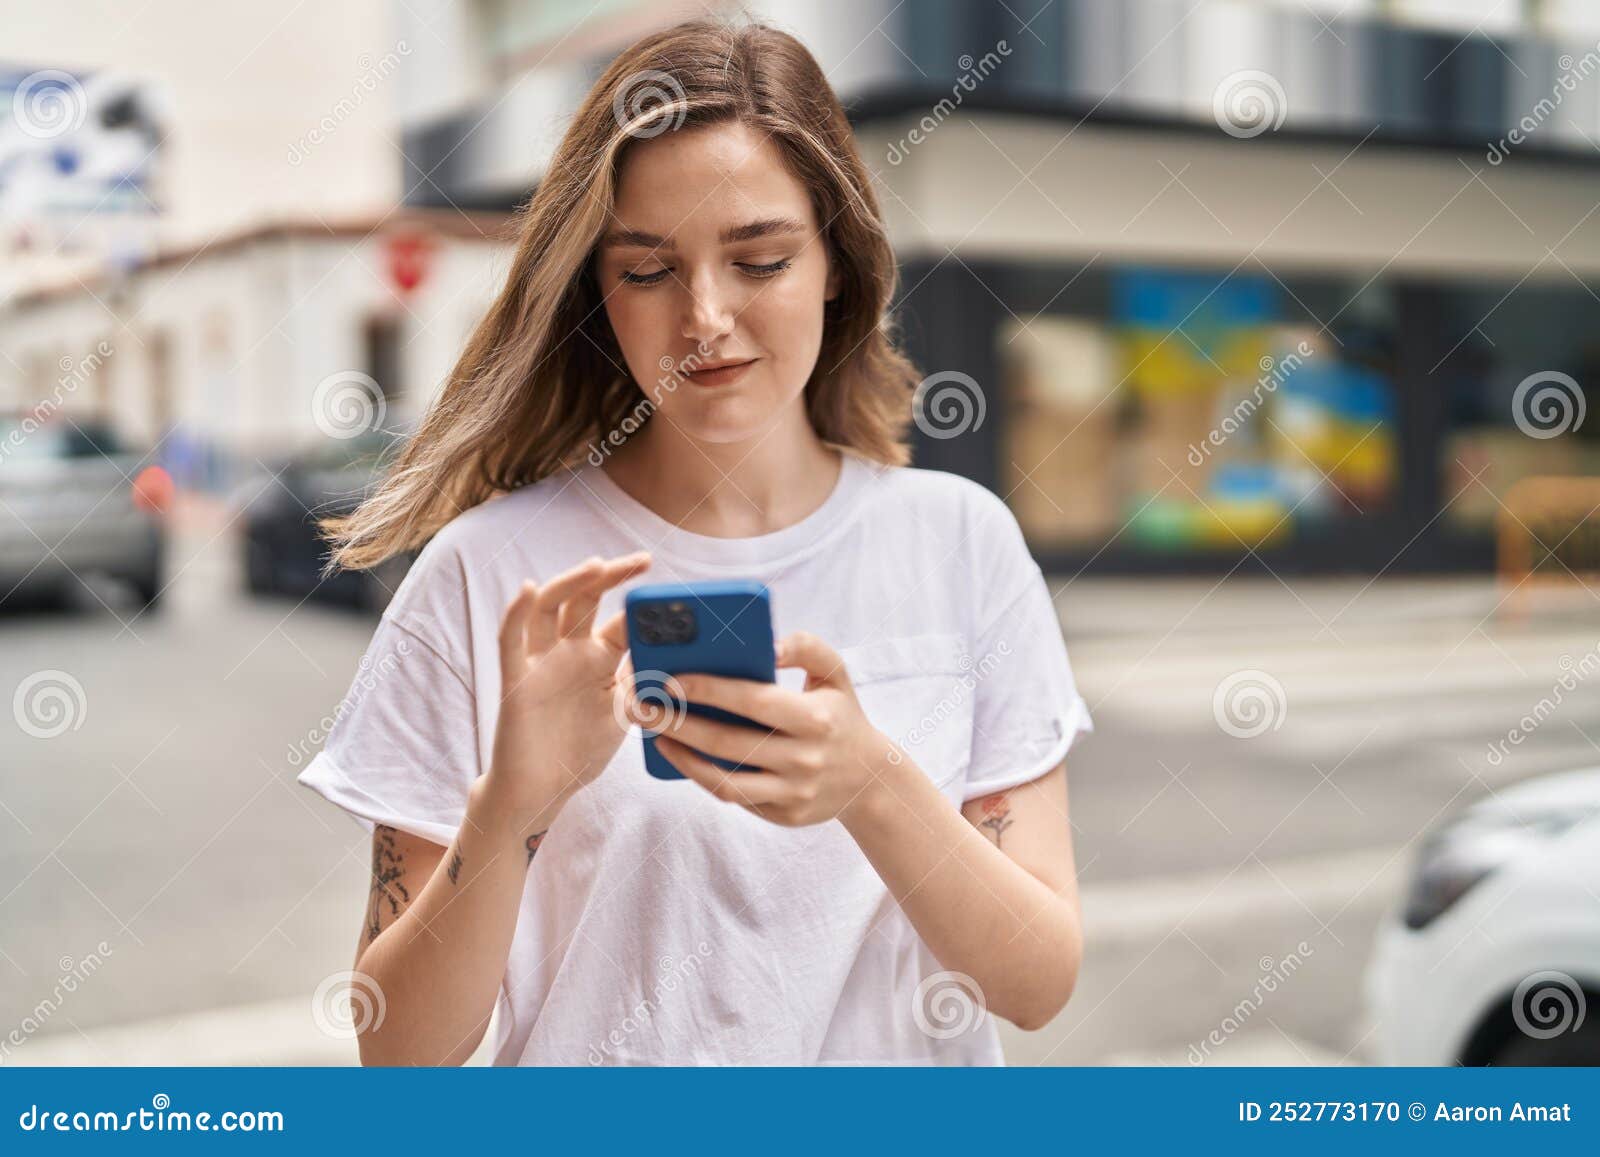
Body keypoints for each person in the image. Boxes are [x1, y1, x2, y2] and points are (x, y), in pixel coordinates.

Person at [300, 16, 1093, 1066]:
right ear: (596, 294)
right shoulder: (485, 574)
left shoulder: (961, 544)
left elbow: (1034, 986)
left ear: (835, 267)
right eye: (647, 270)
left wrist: (872, 785)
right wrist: (508, 809)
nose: (705, 316)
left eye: (758, 258)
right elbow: (397, 1056)